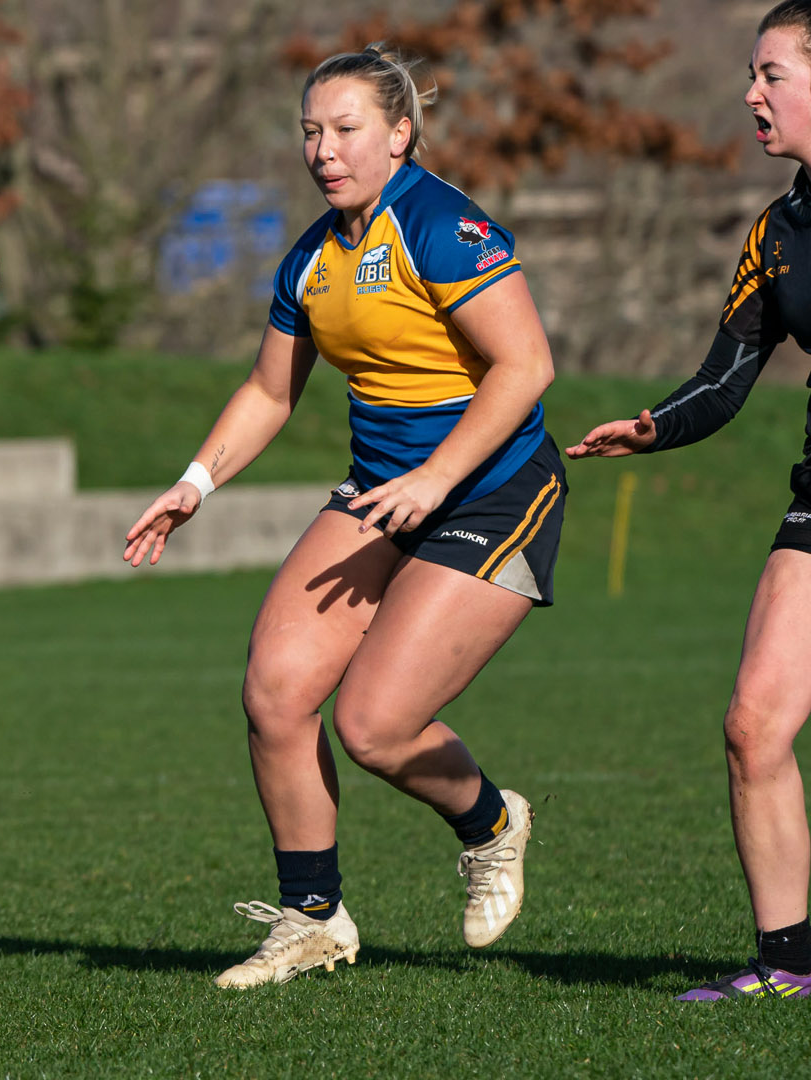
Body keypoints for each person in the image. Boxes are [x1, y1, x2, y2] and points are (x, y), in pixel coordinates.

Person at [124, 44, 560, 988]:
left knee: (375, 726)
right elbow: (269, 394)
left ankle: (492, 823)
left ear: (399, 135)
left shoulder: (443, 224)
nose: (323, 149)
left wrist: (438, 478)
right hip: (384, 494)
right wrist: (194, 480)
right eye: (310, 132)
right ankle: (311, 919)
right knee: (276, 693)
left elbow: (527, 368)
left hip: (495, 491)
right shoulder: (313, 257)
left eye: (346, 129)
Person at [569, 0, 811, 1002]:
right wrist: (652, 425)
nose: (749, 96)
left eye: (772, 76)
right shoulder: (780, 230)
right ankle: (789, 968)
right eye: (750, 76)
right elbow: (727, 375)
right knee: (755, 724)